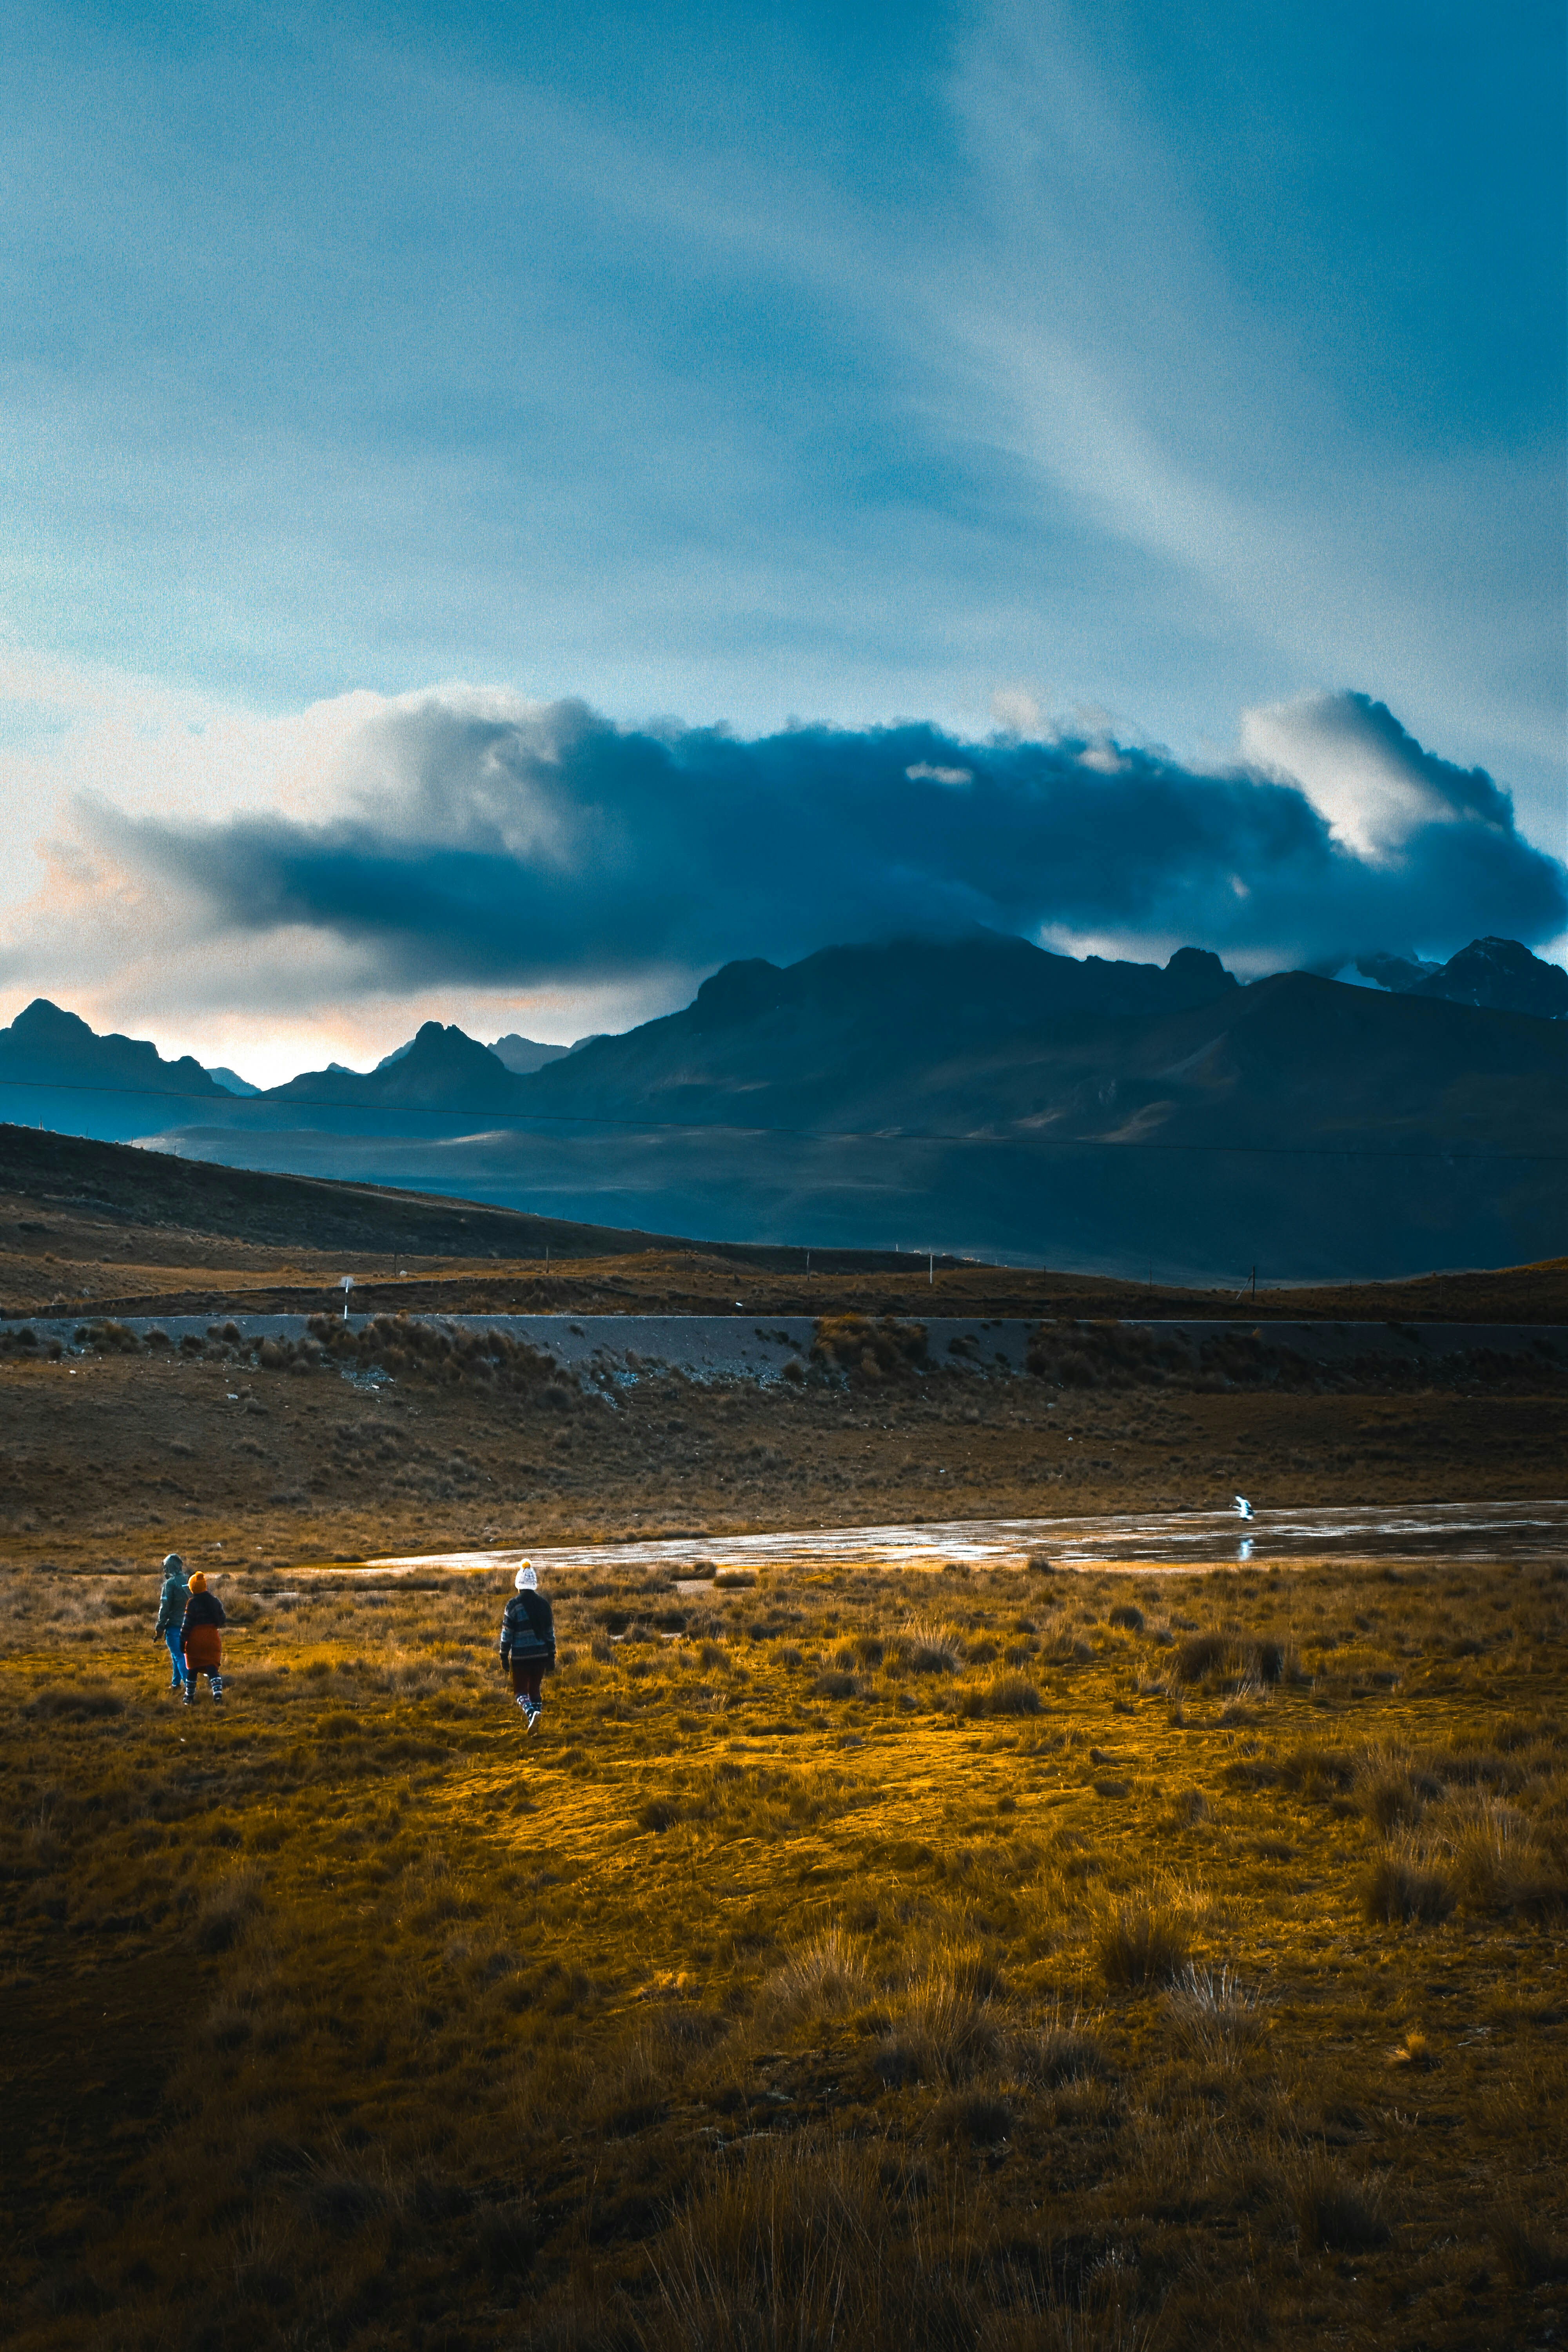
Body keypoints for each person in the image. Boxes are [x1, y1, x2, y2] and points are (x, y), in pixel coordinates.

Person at [498, 1562, 555, 1732]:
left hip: (521, 1657)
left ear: (519, 1584)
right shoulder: (544, 1605)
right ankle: (536, 1722)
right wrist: (552, 1655)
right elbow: (550, 1633)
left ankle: (531, 1715)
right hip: (541, 1655)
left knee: (520, 1693)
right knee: (535, 1691)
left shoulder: (513, 1606)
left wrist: (503, 1655)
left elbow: (507, 1633)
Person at [179, 1571, 227, 1708]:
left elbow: (186, 1625)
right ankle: (218, 1696)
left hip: (195, 1641)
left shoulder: (192, 1604)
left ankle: (189, 1698)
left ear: (193, 1588)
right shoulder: (215, 1602)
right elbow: (223, 1619)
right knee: (212, 1668)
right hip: (212, 1639)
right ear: (205, 1586)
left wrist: (182, 1642)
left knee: (193, 1670)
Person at [152, 1553, 191, 1691]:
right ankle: (176, 1684)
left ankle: (190, 1687)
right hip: (190, 1626)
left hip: (175, 1627)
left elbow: (165, 1608)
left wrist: (160, 1627)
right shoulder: (190, 1580)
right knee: (177, 1656)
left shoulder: (170, 1584)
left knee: (179, 1656)